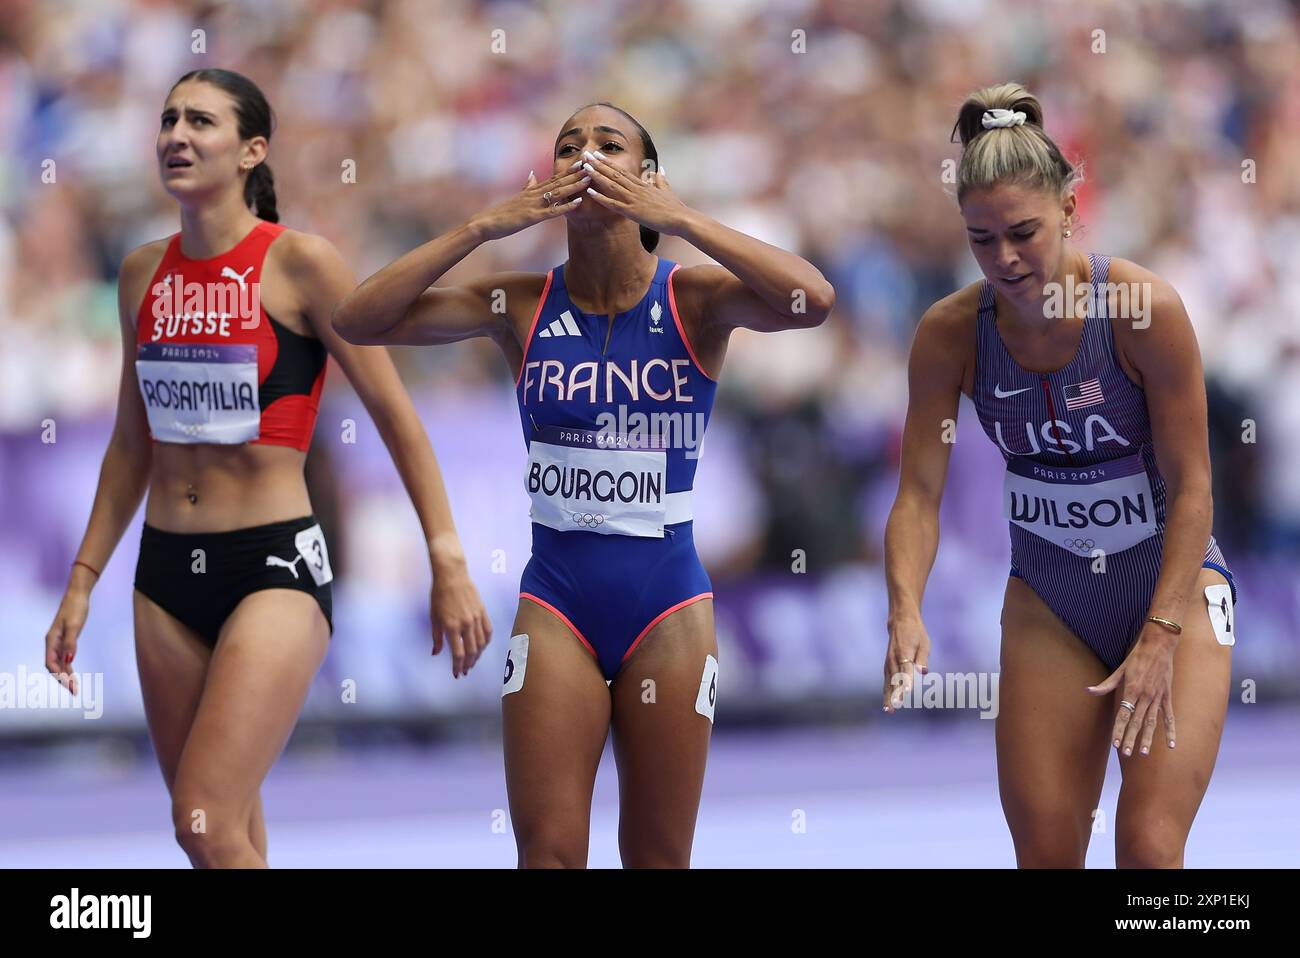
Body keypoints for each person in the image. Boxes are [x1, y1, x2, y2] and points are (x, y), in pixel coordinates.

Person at [333, 101, 834, 867]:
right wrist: (481, 228)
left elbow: (813, 300)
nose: (587, 156)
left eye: (610, 144)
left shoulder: (694, 300)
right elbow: (361, 320)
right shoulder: (520, 303)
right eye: (568, 146)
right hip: (556, 601)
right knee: (549, 855)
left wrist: (683, 218)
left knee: (658, 858)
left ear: (648, 176)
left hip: (668, 607)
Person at [43, 68, 491, 868]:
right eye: (168, 119)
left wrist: (448, 557)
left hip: (273, 567)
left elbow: (397, 418)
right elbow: (129, 442)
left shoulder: (302, 265)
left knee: (202, 819)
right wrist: (82, 579)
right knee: (230, 829)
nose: (176, 135)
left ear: (252, 150)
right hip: (164, 576)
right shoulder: (141, 273)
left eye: (201, 122)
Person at [883, 82, 1238, 868]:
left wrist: (1161, 631)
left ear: (1071, 211)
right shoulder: (949, 334)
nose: (1004, 259)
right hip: (1050, 595)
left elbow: (1194, 488)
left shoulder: (1142, 310)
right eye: (981, 240)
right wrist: (904, 605)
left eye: (1023, 233)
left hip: (1171, 589)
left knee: (1147, 848)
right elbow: (918, 492)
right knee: (1047, 851)